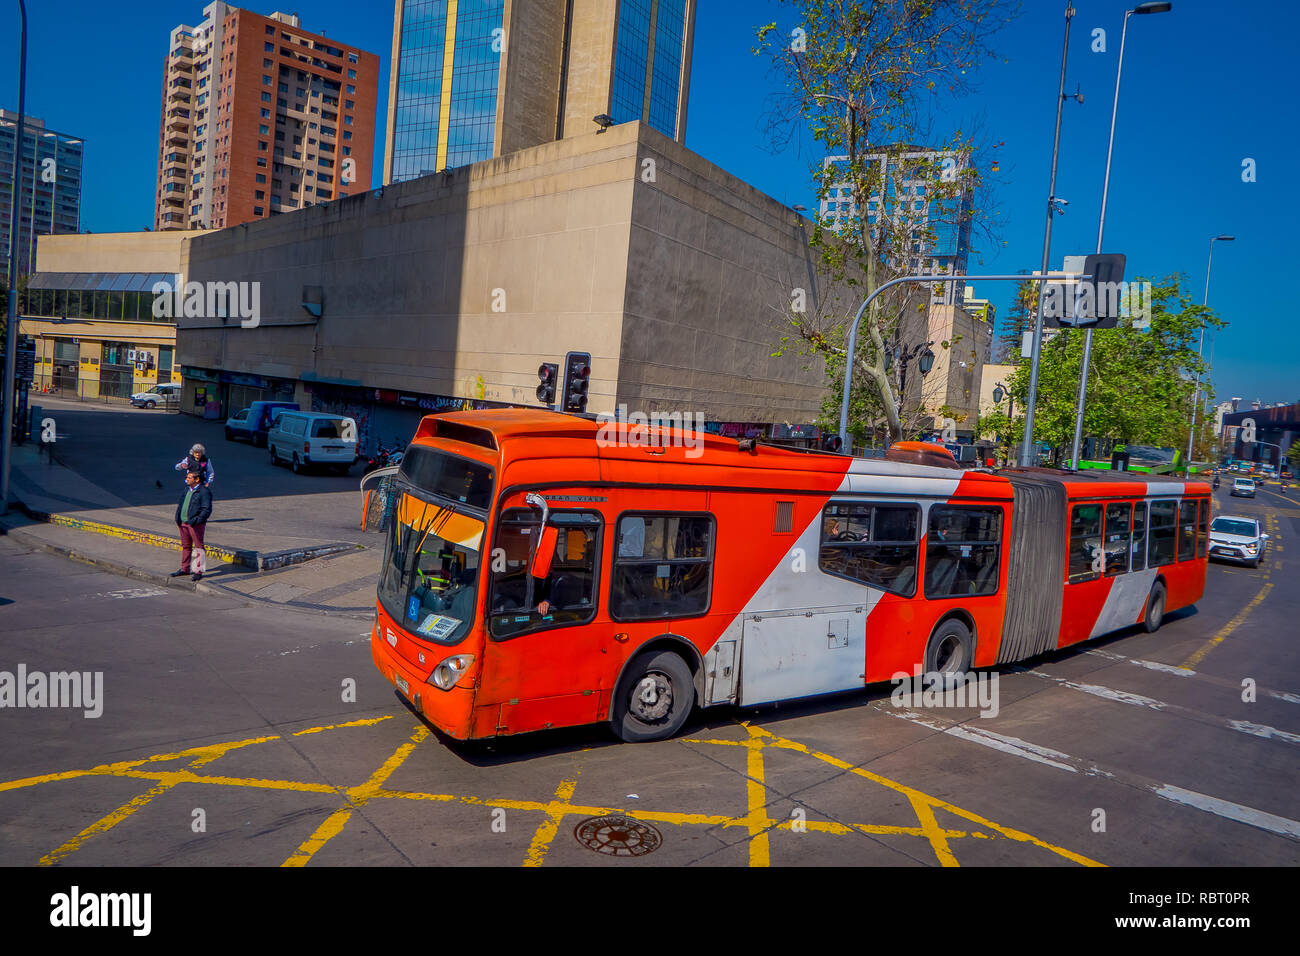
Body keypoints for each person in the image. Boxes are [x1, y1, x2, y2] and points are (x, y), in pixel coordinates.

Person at [172, 467, 213, 582]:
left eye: (189, 477)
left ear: (197, 479)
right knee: (186, 546)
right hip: (183, 523)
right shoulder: (186, 490)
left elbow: (206, 509)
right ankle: (185, 568)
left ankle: (198, 571)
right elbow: (181, 504)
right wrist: (178, 518)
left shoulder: (204, 492)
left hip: (195, 524)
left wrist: (197, 520)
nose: (187, 479)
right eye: (187, 477)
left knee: (199, 547)